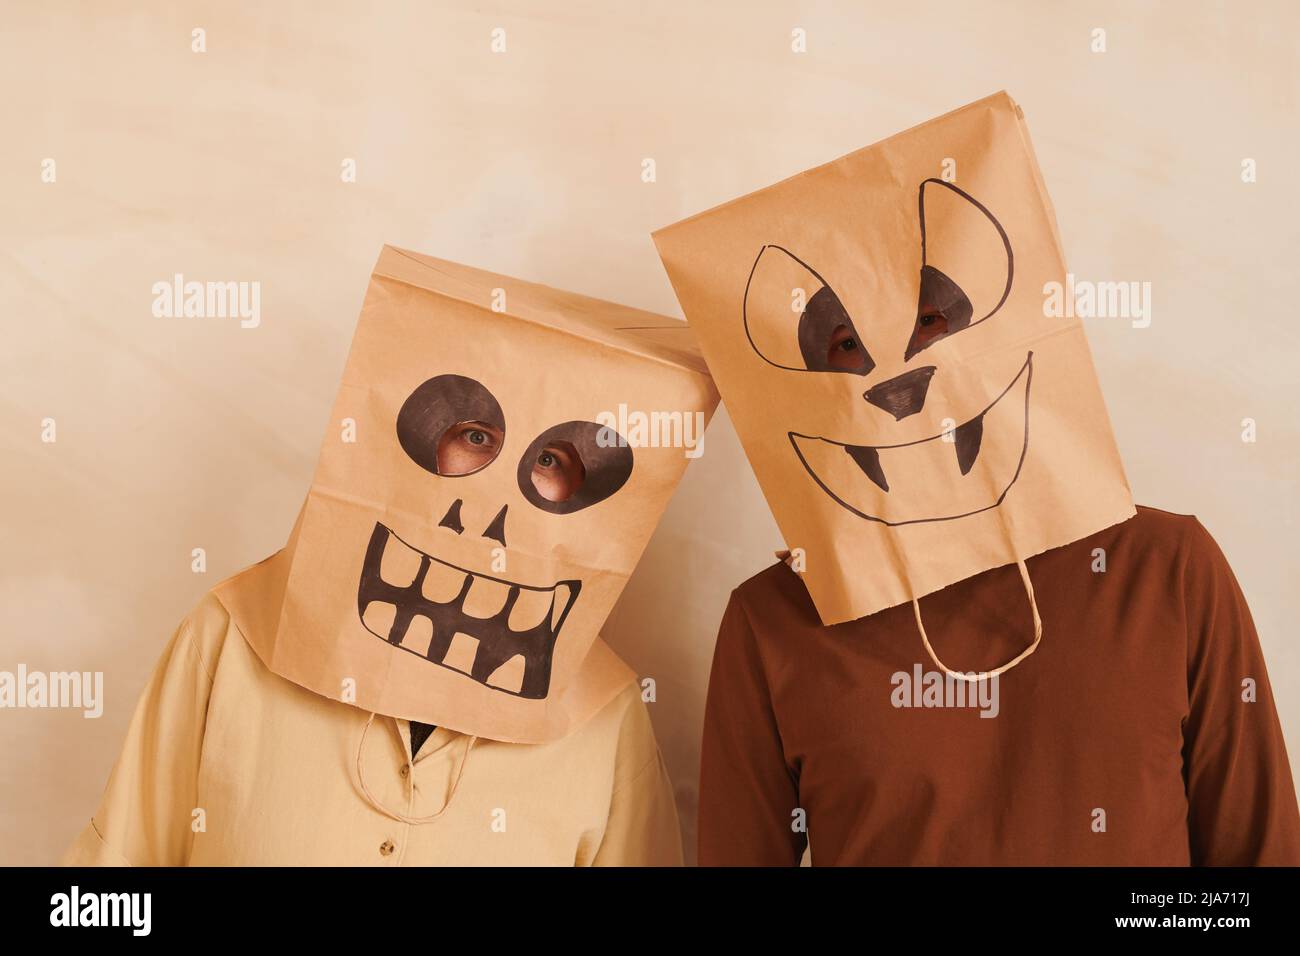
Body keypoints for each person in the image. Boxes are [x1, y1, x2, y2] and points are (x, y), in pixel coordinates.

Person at [652, 93, 1300, 865]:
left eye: (930, 321)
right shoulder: (773, 625)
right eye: (845, 343)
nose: (898, 381)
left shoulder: (1169, 573)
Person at [62, 246, 718, 866]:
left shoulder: (602, 716)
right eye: (474, 435)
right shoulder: (235, 637)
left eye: (551, 459)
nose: (488, 510)